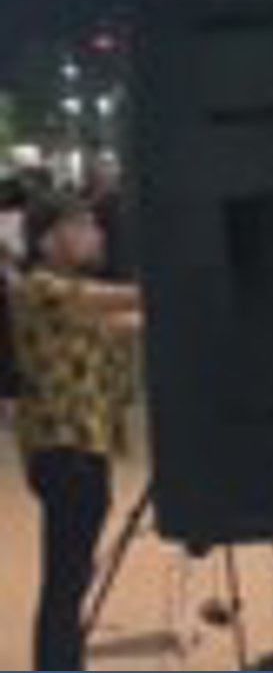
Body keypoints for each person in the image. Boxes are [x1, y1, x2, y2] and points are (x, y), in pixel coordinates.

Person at [7, 196, 143, 671]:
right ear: (48, 238)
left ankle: (64, 663)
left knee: (71, 579)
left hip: (84, 450)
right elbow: (125, 303)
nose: (96, 234)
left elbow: (128, 320)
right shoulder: (39, 288)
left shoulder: (72, 295)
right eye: (82, 225)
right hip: (63, 451)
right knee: (65, 582)